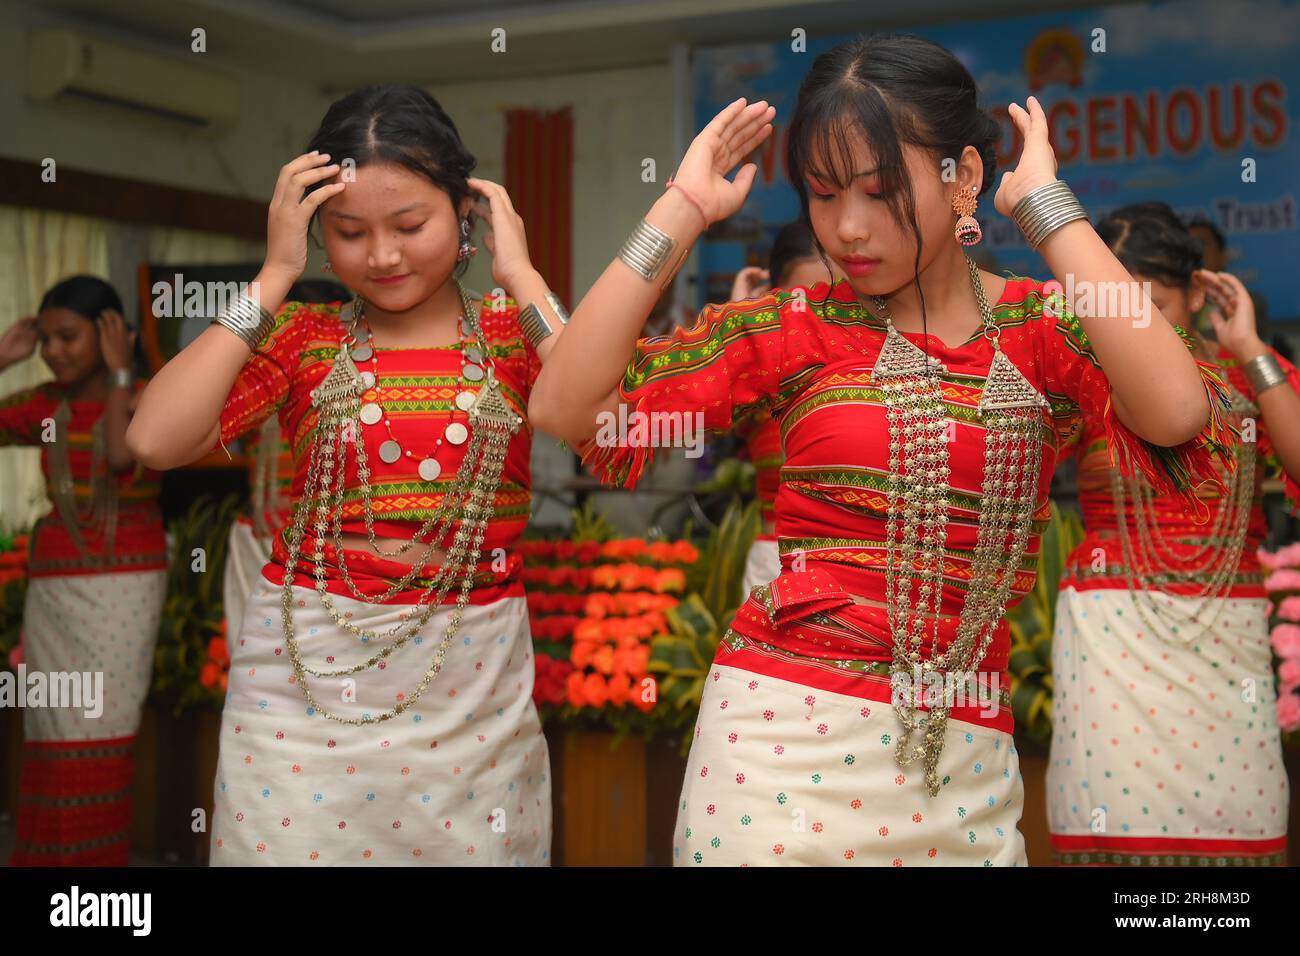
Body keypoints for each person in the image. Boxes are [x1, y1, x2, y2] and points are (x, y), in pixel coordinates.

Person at [530, 32, 1233, 866]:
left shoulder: (1043, 331)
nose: (849, 228)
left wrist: (1049, 208)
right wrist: (679, 210)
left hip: (967, 758)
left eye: (881, 189)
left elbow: (1178, 411)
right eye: (824, 195)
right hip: (775, 745)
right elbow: (565, 405)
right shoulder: (792, 329)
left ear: (963, 176)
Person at [127, 84, 568, 866]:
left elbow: (609, 425)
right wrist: (271, 277)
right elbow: (156, 439)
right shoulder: (301, 337)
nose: (384, 255)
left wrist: (524, 275)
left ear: (465, 211)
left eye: (411, 224)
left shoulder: (512, 334)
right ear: (317, 233)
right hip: (302, 691)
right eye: (350, 232)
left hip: (470, 687)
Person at [1048, 201, 1297, 866]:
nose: (1137, 331)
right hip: (1113, 635)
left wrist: (1249, 350)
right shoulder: (1086, 367)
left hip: (1228, 631)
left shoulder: (1244, 375)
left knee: (1242, 827)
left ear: (1196, 293)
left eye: (1151, 305)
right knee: (1115, 834)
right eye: (1116, 308)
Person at [0, 276, 166, 865]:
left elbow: (123, 454)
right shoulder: (44, 405)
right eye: (44, 340)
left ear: (110, 334)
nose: (53, 352)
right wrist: (2, 358)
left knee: (104, 734)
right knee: (50, 734)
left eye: (67, 336)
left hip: (126, 590)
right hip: (56, 591)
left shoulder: (153, 395)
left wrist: (121, 375)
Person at [731, 221, 846, 595]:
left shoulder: (883, 369)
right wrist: (741, 318)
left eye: (835, 300)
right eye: (803, 303)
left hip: (866, 581)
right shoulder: (762, 380)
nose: (818, 319)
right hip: (772, 575)